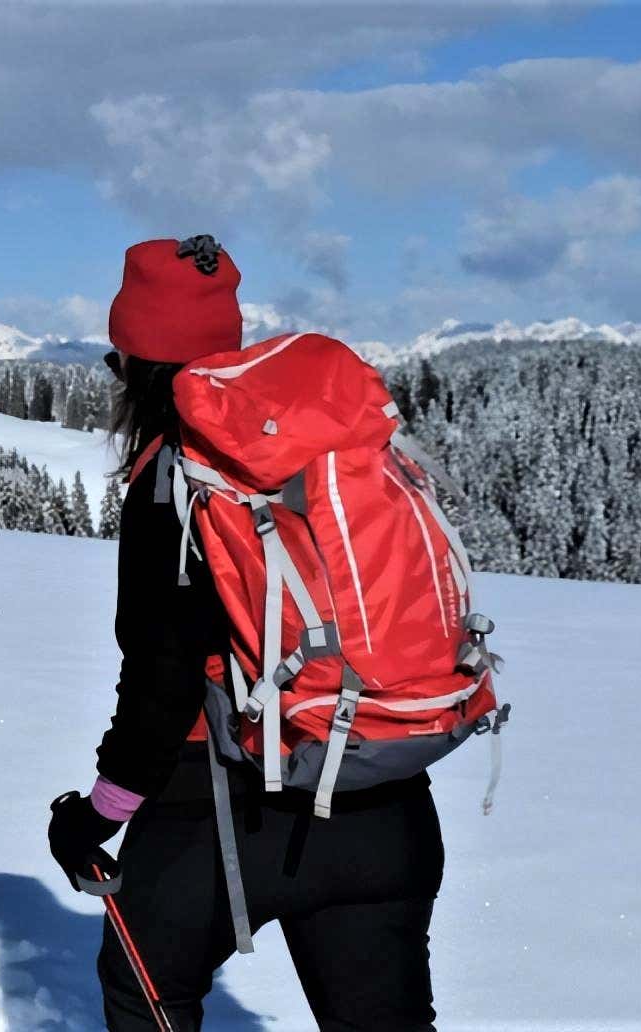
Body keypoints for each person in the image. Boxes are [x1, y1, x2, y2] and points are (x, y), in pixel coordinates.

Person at [46, 236, 447, 1030]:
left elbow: (161, 681)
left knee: (145, 993)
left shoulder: (175, 479)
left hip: (223, 813)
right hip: (383, 795)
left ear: (133, 366)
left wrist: (96, 816)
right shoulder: (326, 450)